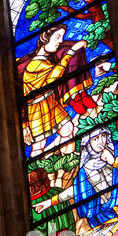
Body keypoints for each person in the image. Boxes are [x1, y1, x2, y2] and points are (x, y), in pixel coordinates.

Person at [22, 25, 93, 154]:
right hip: (37, 110)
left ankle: (67, 162)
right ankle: (39, 171)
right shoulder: (34, 65)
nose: (60, 41)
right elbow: (54, 76)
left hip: (50, 102)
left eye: (62, 37)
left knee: (68, 128)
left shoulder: (46, 61)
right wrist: (72, 50)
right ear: (44, 39)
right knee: (39, 145)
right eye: (57, 37)